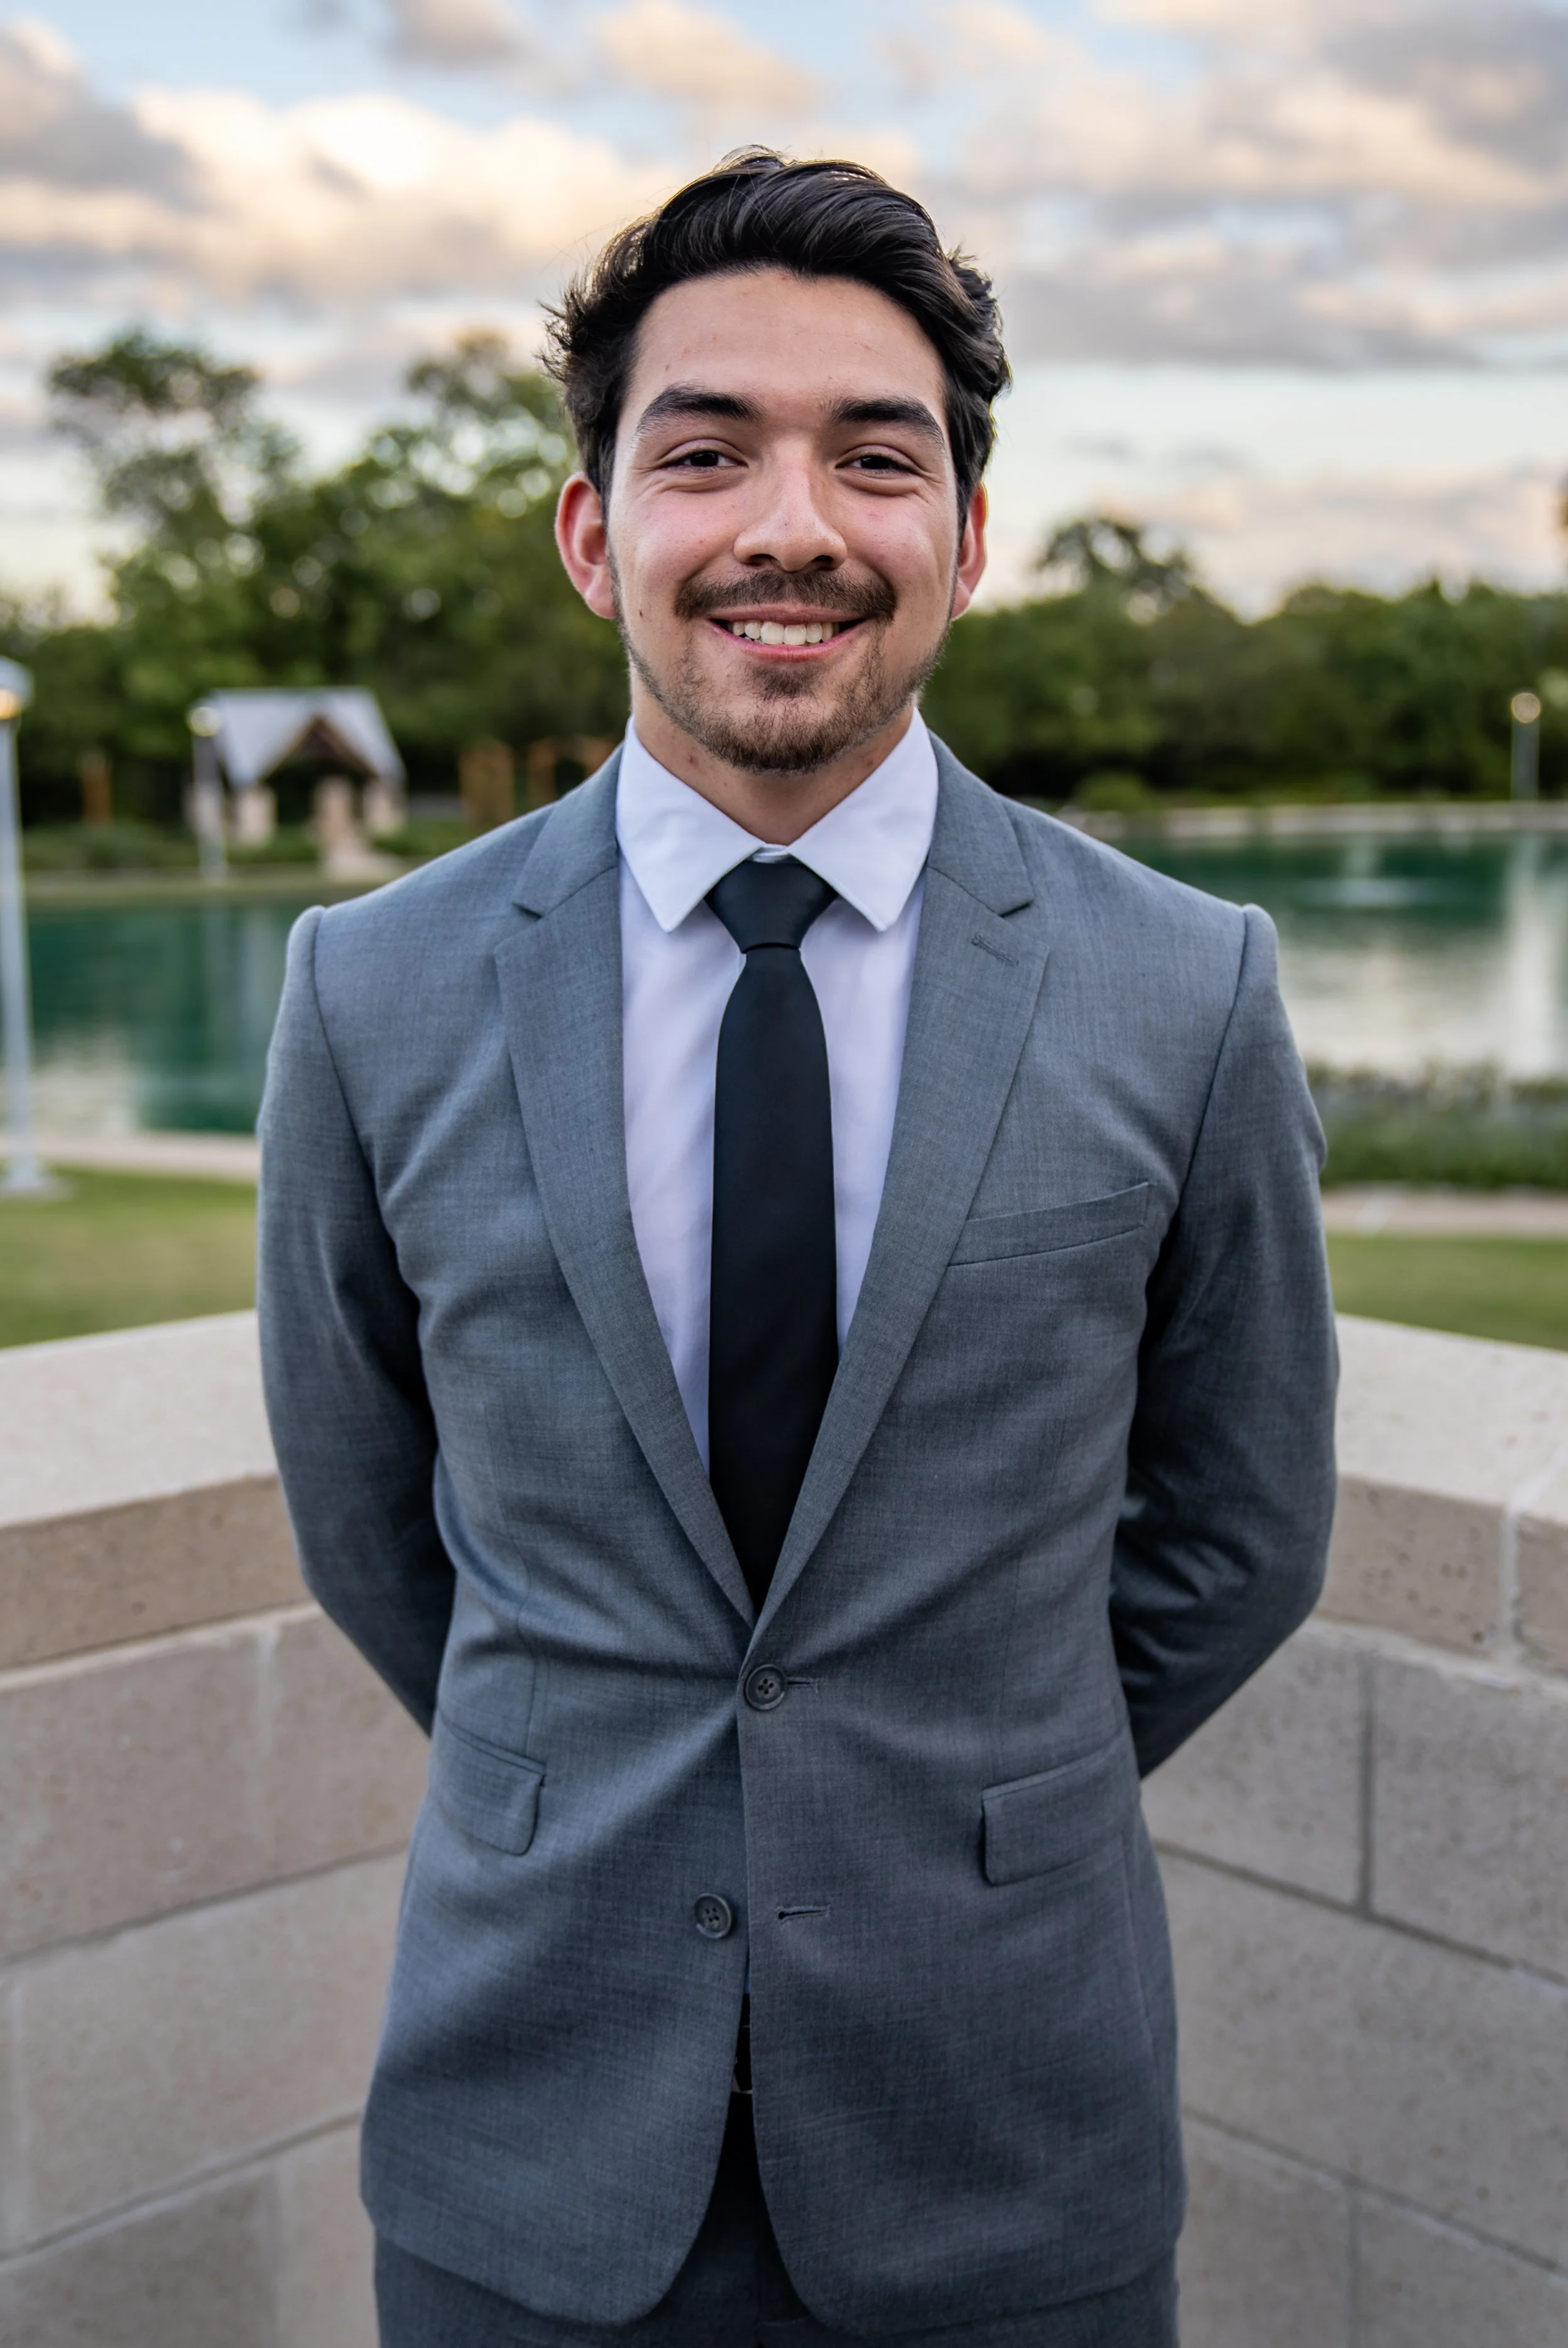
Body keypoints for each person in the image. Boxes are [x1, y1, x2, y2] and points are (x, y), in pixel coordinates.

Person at [258, 150, 1337, 2348]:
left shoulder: (1188, 985)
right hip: (525, 2146)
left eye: (876, 456)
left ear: (962, 535)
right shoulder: (371, 989)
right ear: (596, 534)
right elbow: (375, 1518)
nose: (792, 527)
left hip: (1007, 2132)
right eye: (705, 452)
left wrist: (958, 1764)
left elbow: (1247, 1524)